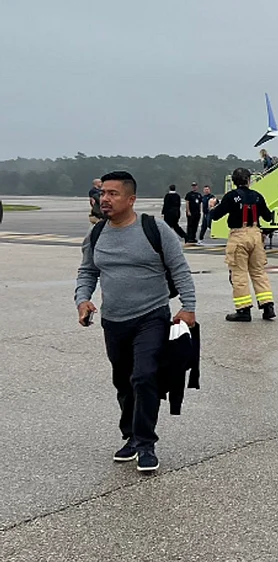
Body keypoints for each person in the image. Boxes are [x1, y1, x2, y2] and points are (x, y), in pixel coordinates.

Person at [75, 171, 197, 473]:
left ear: (131, 199)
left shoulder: (154, 229)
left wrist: (188, 307)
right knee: (124, 381)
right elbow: (87, 271)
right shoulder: (97, 234)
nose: (105, 198)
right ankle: (129, 436)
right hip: (113, 321)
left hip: (151, 316)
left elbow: (180, 269)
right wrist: (82, 300)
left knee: (144, 377)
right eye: (103, 193)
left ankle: (145, 444)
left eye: (113, 194)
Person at [208, 167, 275, 322]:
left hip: (239, 235)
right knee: (258, 272)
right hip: (256, 235)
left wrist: (212, 207)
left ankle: (244, 310)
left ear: (234, 181)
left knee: (239, 273)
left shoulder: (231, 197)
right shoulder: (257, 196)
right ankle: (268, 307)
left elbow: (216, 216)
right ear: (249, 180)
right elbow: (267, 216)